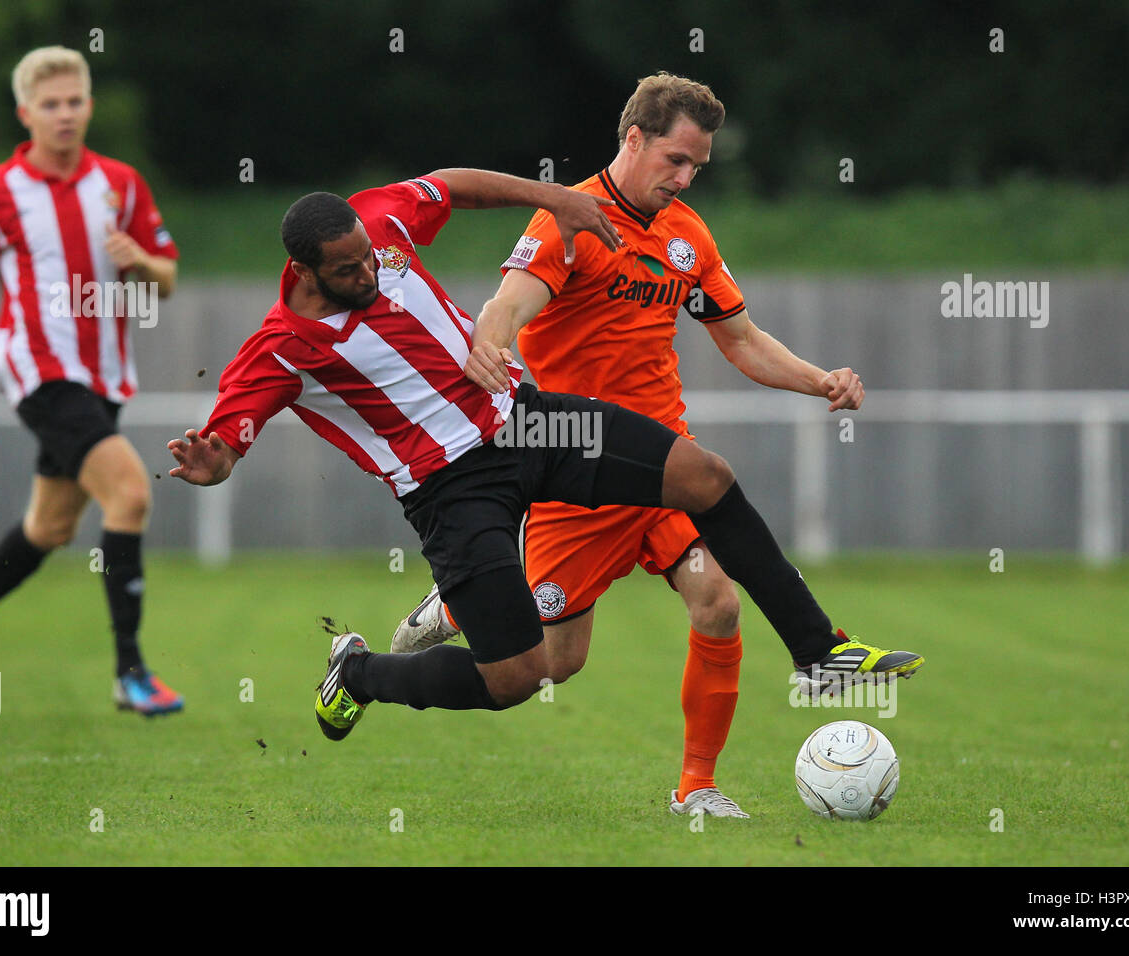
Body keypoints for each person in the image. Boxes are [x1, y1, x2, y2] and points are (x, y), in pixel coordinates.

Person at [168, 168, 922, 784]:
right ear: (303, 272)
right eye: (346, 270)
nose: (368, 270)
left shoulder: (382, 220)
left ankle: (819, 653)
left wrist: (554, 196)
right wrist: (214, 464)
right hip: (450, 492)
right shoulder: (280, 347)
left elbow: (454, 185)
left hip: (529, 423)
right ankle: (360, 673)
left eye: (368, 255)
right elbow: (230, 440)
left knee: (705, 475)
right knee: (520, 677)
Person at [389, 73, 922, 817]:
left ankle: (696, 788)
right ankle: (439, 617)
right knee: (552, 665)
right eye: (674, 160)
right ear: (632, 140)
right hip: (579, 466)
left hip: (668, 468)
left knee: (718, 603)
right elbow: (507, 303)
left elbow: (740, 338)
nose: (684, 178)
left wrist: (819, 380)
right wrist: (490, 347)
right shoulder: (566, 221)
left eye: (697, 167)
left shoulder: (688, 237)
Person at [0, 46, 183, 716]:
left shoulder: (119, 183)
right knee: (129, 494)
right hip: (39, 371)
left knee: (52, 526)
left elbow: (168, 279)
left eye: (73, 102)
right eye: (50, 105)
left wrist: (141, 260)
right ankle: (131, 675)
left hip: (105, 377)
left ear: (88, 106)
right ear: (25, 113)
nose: (63, 115)